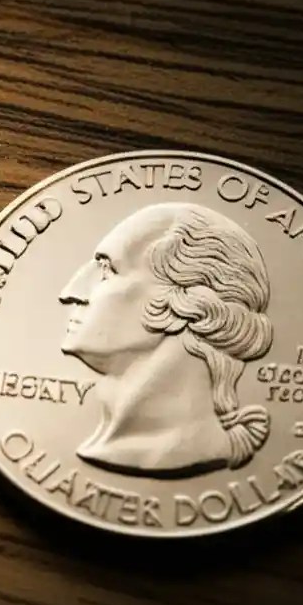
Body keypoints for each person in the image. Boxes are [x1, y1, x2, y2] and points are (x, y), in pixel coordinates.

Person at [58, 202, 273, 477]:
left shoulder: (184, 450)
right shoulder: (111, 444)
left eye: (107, 269)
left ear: (189, 301)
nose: (70, 292)